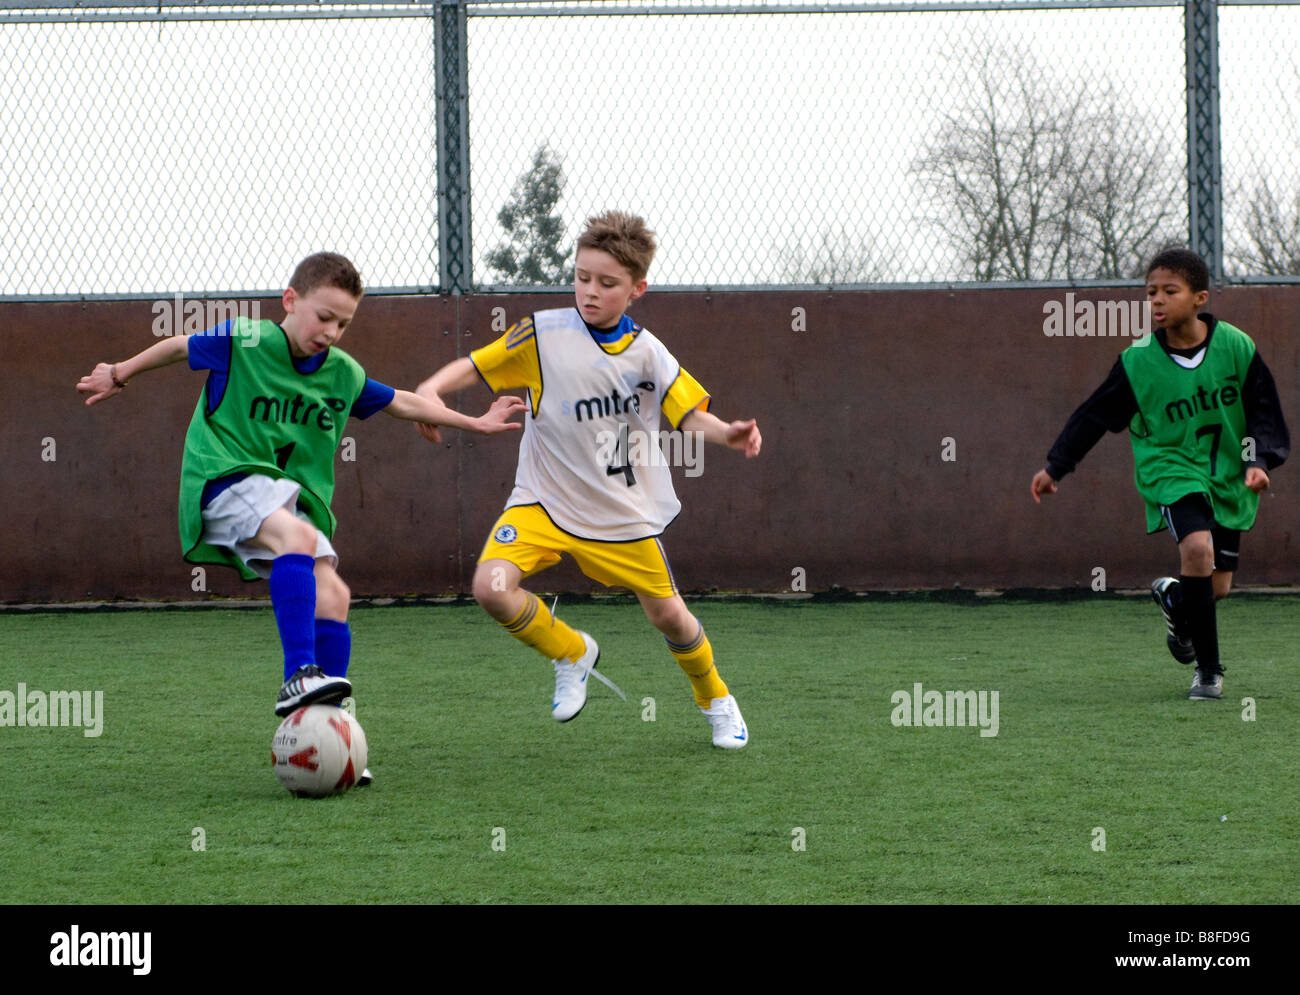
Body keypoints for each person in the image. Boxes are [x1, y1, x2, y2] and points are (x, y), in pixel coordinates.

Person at [78, 253, 524, 768]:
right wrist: (119, 371)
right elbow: (181, 346)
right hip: (224, 477)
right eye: (323, 316)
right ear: (290, 301)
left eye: (344, 323)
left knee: (334, 591)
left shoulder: (341, 374)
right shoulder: (247, 341)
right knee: (299, 538)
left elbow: (402, 401)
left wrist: (475, 422)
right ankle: (299, 674)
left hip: (280, 496)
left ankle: (332, 735)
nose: (331, 331)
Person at [416, 211, 762, 747]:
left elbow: (689, 414)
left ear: (637, 289)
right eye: (582, 278)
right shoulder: (542, 333)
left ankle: (716, 698)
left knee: (671, 617)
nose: (590, 291)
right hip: (544, 501)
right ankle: (572, 652)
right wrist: (429, 392)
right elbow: (474, 366)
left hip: (621, 513)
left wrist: (727, 434)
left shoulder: (649, 353)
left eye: (607, 283)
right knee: (492, 587)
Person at [1031, 248, 1289, 700]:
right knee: (1196, 546)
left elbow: (1263, 412)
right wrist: (1056, 466)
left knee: (1218, 587)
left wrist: (1257, 459)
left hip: (1226, 474)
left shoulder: (1236, 347)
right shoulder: (1138, 362)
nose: (1157, 300)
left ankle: (1174, 599)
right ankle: (1209, 672)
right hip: (1169, 468)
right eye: (1151, 292)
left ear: (1199, 298)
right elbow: (1094, 415)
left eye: (1170, 291)